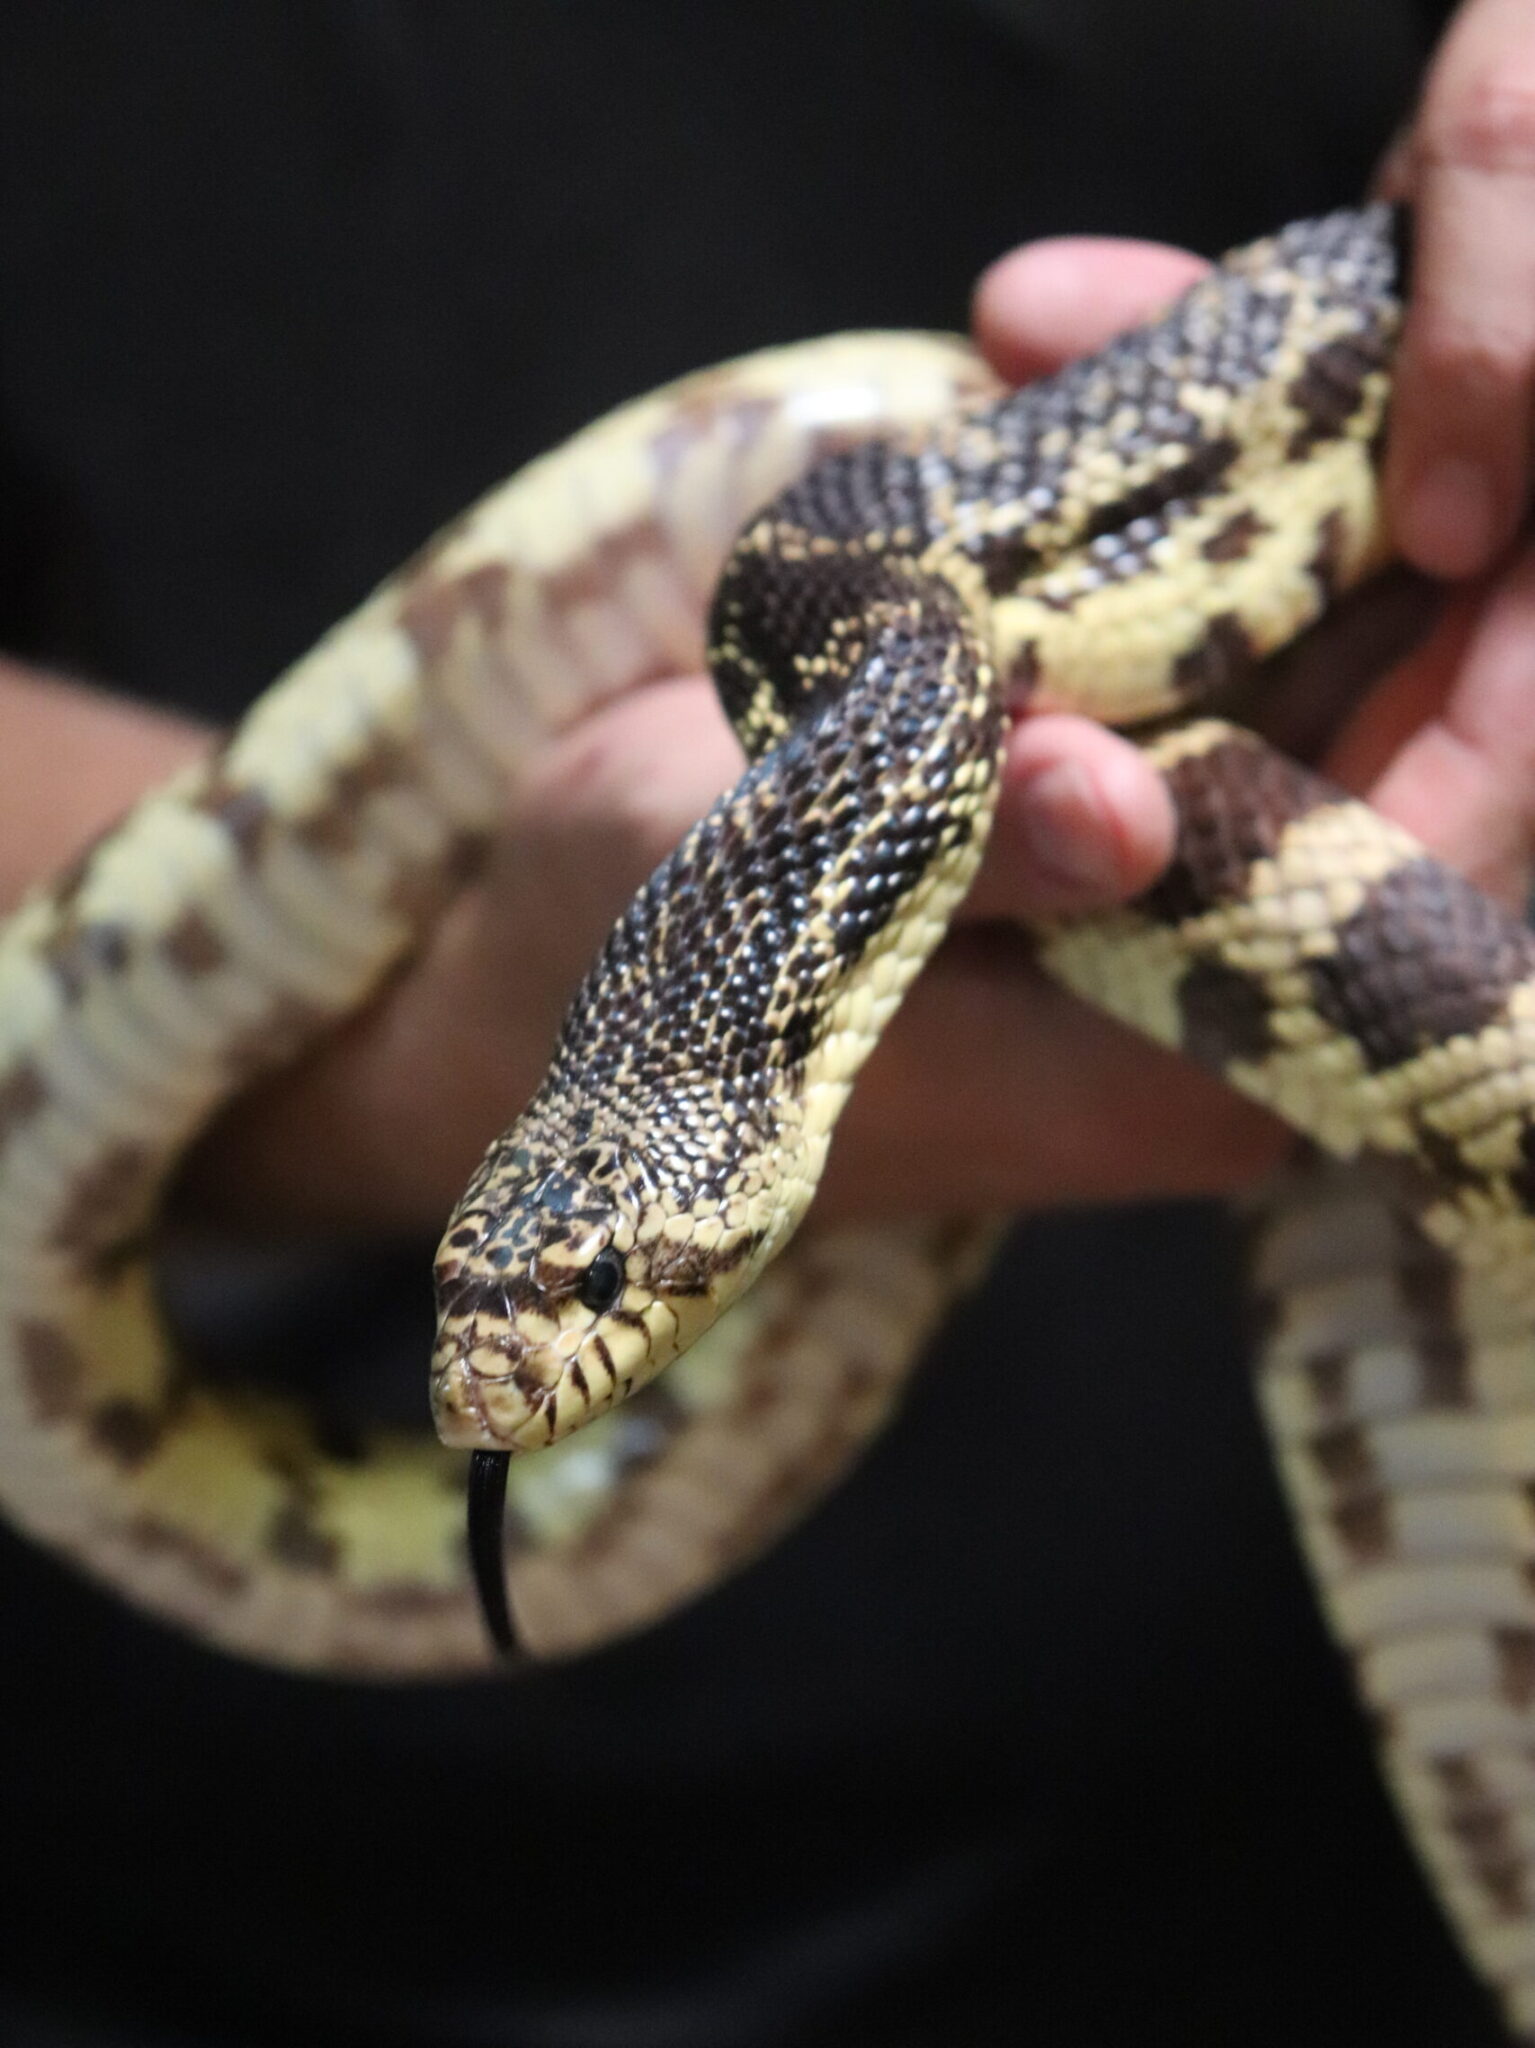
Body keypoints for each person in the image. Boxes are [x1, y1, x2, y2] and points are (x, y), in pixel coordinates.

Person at [0, 1, 1531, 2042]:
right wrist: (424, 1058)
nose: (526, 1369)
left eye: (596, 1278)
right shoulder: (849, 697)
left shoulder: (838, 627)